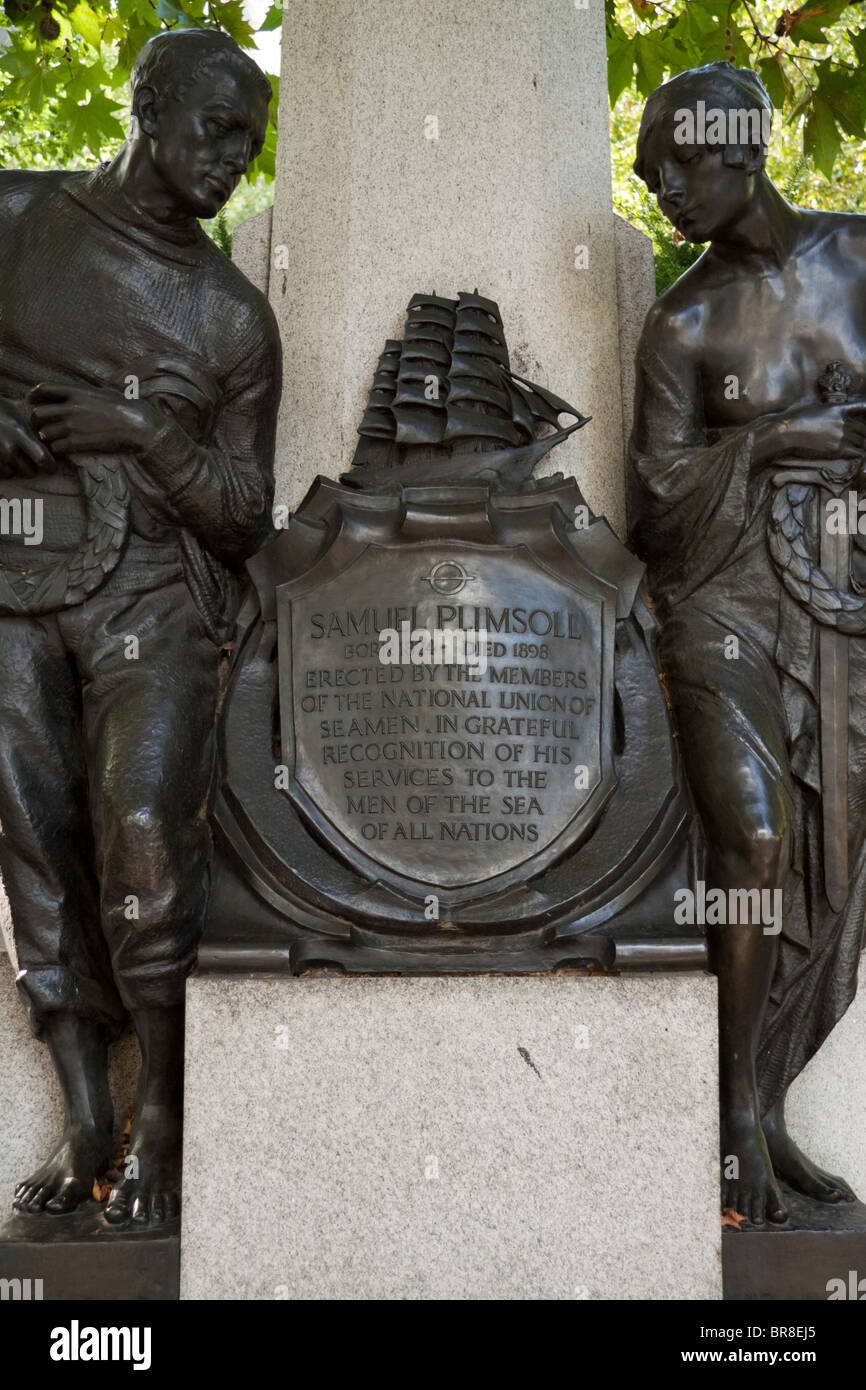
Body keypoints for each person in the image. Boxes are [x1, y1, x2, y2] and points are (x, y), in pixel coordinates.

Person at [1, 28, 281, 1225]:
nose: (230, 158)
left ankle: (165, 1116)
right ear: (145, 105)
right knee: (34, 835)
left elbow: (242, 514)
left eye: (250, 143)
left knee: (141, 825)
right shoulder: (19, 223)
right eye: (215, 128)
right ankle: (87, 1117)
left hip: (154, 597)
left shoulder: (231, 319)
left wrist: (146, 437)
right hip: (13, 576)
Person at [630, 61, 866, 1225]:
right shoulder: (679, 321)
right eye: (646, 174)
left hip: (846, 598)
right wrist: (781, 440)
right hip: (722, 602)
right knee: (758, 835)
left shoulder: (859, 255)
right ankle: (724, 1123)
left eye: (678, 162)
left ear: (743, 144)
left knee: (828, 872)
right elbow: (657, 498)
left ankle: (765, 1106)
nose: (662, 188)